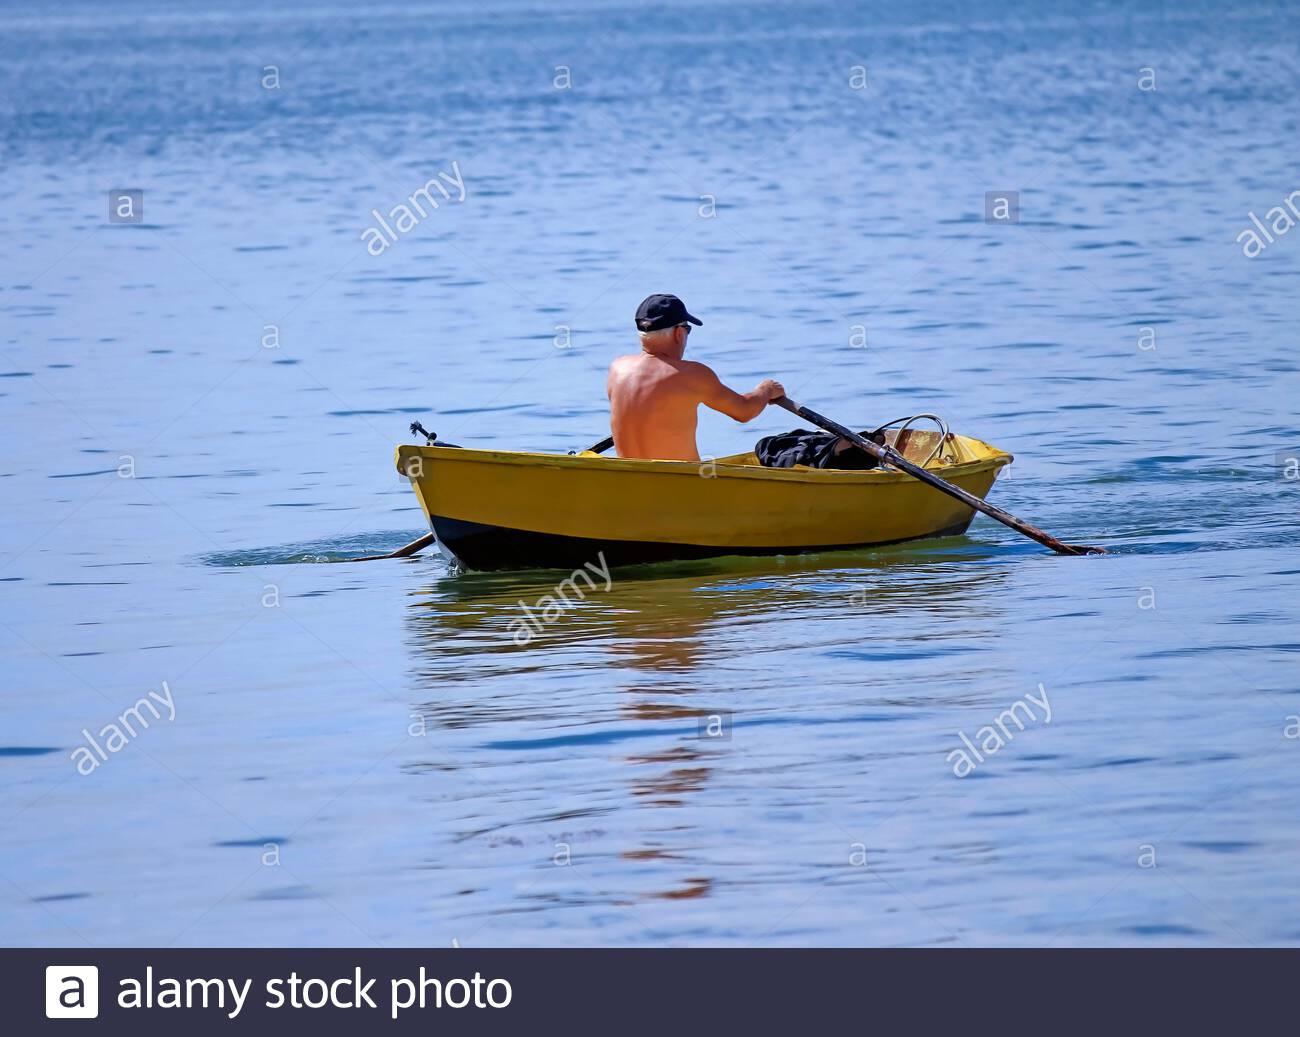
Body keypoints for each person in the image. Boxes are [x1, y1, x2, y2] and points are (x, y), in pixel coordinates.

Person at [607, 294, 785, 462]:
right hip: (681, 484)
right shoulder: (692, 374)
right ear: (678, 333)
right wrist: (766, 389)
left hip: (630, 479)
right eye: (687, 329)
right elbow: (744, 411)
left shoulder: (617, 369)